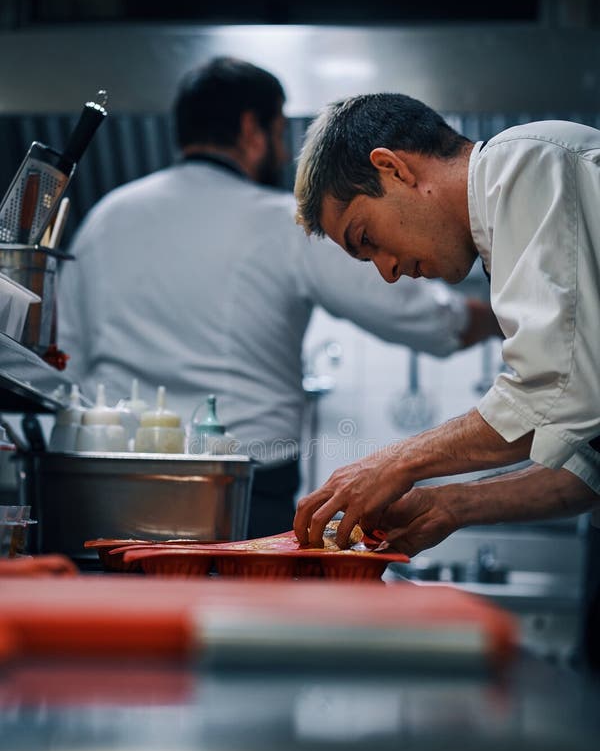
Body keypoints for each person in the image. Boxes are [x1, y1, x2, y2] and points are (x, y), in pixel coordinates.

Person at [57, 61, 499, 539]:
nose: (286, 151)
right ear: (253, 129)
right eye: (280, 130)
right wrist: (499, 318)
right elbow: (422, 316)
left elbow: (64, 358)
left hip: (110, 488)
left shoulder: (105, 219)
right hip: (239, 495)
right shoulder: (277, 220)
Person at [292, 92, 600, 555]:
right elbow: (589, 460)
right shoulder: (508, 228)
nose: (387, 272)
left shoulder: (529, 167)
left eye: (367, 237)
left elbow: (560, 393)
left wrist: (397, 462)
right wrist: (452, 505)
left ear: (393, 169)